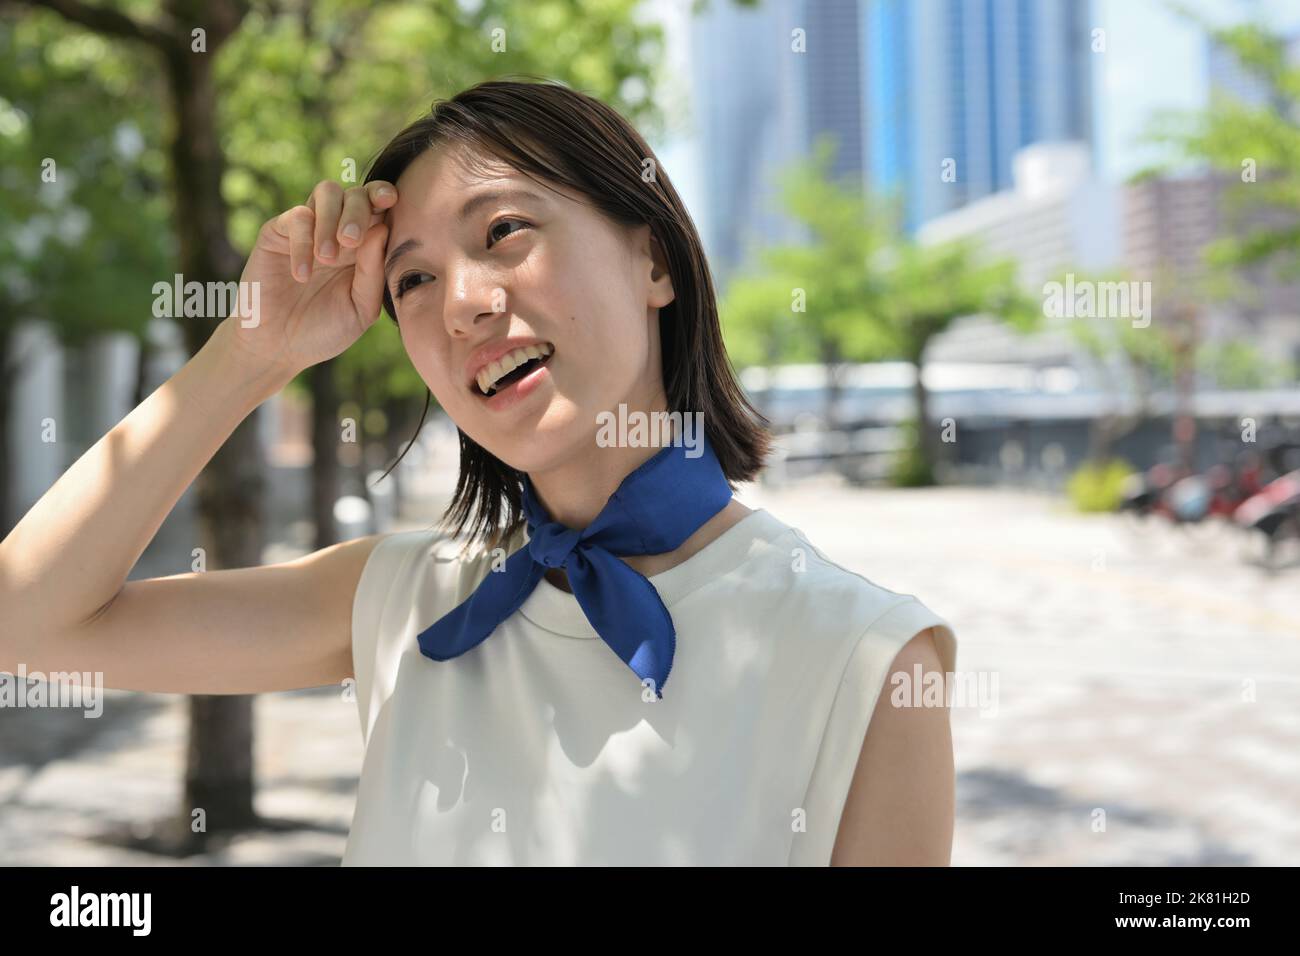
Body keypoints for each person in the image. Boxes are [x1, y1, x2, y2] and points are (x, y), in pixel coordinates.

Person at [0, 78, 957, 866]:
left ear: (652, 258)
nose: (461, 302)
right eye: (412, 280)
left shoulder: (865, 661)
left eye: (503, 231)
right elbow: (25, 625)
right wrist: (250, 355)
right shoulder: (395, 601)